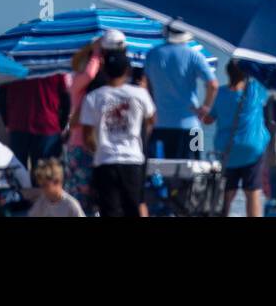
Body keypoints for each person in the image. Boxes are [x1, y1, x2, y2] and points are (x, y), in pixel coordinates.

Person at [80, 47, 156, 217]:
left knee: (109, 211)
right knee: (133, 209)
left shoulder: (93, 97)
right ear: (128, 70)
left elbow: (87, 136)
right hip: (132, 160)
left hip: (105, 160)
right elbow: (152, 119)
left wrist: (98, 149)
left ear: (104, 70)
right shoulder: (140, 94)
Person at [143, 21, 217, 159]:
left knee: (159, 171)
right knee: (194, 170)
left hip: (160, 124)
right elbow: (213, 84)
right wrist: (205, 108)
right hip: (191, 126)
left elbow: (146, 86)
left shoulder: (152, 54)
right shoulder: (194, 55)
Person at [209, 60, 267, 217]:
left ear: (227, 73)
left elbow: (209, 119)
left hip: (227, 151)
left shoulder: (220, 94)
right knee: (253, 192)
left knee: (226, 193)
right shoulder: (255, 90)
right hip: (252, 149)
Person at [63, 34, 111, 214]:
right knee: (86, 198)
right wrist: (98, 53)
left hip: (78, 146)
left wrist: (95, 52)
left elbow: (89, 74)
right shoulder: (86, 84)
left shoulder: (76, 83)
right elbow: (90, 73)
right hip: (86, 147)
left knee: (78, 197)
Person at [0, 73, 70, 175]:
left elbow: (1, 97)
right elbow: (65, 99)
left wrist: (7, 122)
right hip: (48, 125)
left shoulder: (13, 66)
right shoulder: (55, 68)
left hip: (19, 123)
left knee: (18, 173)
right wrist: (62, 124)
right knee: (46, 175)